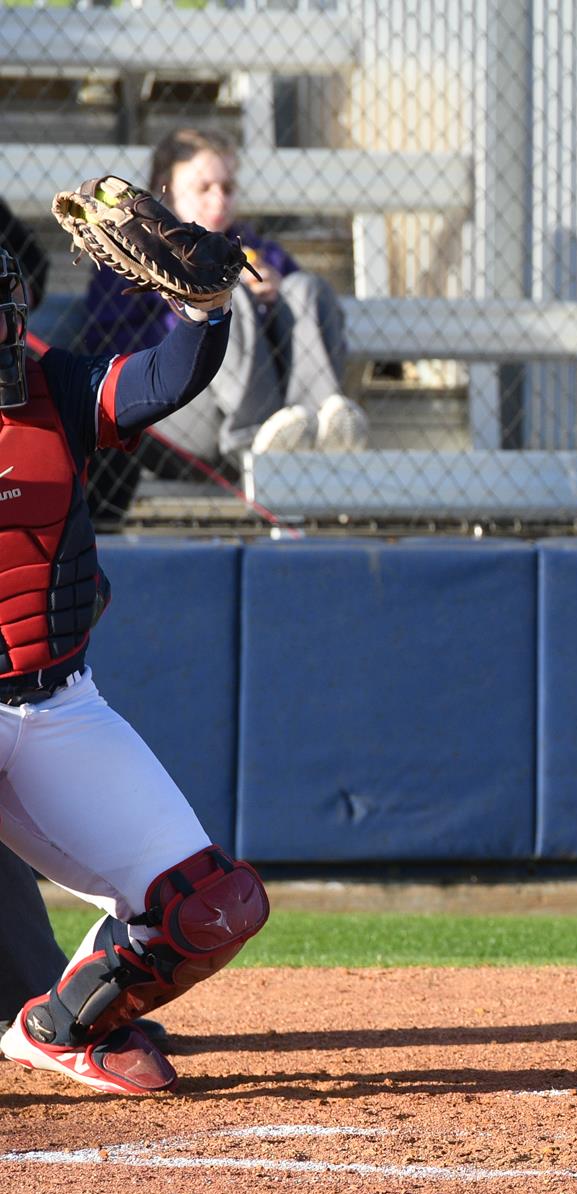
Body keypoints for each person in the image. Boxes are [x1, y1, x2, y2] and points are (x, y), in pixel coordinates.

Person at [0, 233, 269, 1094]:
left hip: (55, 708)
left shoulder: (55, 387)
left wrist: (203, 308)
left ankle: (62, 1025)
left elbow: (162, 377)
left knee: (212, 905)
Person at [74, 128, 364, 517]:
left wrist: (276, 295)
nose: (219, 199)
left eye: (227, 187)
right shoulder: (132, 251)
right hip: (177, 414)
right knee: (224, 290)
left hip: (279, 409)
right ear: (167, 191)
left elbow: (311, 320)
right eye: (203, 187)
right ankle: (256, 442)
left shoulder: (256, 251)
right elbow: (108, 342)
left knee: (304, 288)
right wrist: (186, 300)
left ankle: (316, 429)